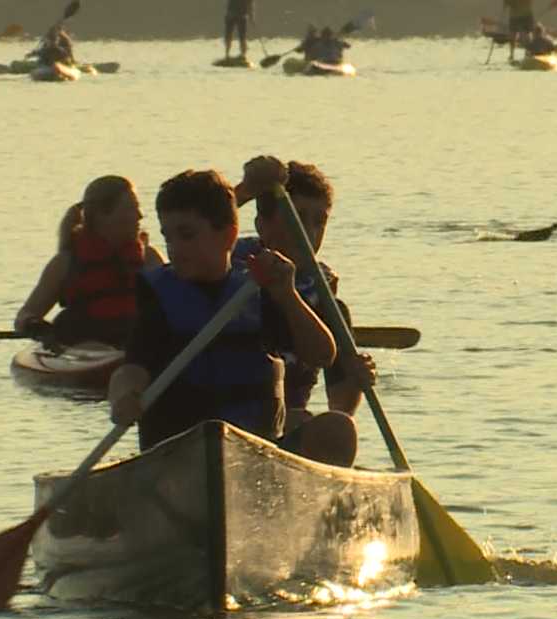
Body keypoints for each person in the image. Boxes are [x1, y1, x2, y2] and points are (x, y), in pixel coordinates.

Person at [108, 170, 340, 465]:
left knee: (337, 429)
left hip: (255, 455)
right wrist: (123, 397)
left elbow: (322, 354)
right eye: (169, 236)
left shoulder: (259, 292)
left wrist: (287, 296)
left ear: (228, 235)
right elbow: (131, 368)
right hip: (177, 454)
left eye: (187, 235)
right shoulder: (158, 298)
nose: (175, 249)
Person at [231, 157, 377, 465]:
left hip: (285, 435)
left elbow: (342, 409)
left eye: (318, 221)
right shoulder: (228, 264)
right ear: (263, 225)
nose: (308, 232)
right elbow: (205, 226)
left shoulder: (324, 296)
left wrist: (355, 378)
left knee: (335, 427)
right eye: (296, 218)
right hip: (226, 430)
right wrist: (247, 191)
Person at [15, 176, 164, 349]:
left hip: (135, 345)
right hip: (83, 346)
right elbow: (25, 315)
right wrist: (37, 327)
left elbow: (173, 305)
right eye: (131, 209)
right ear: (102, 215)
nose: (139, 216)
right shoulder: (65, 263)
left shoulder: (149, 258)